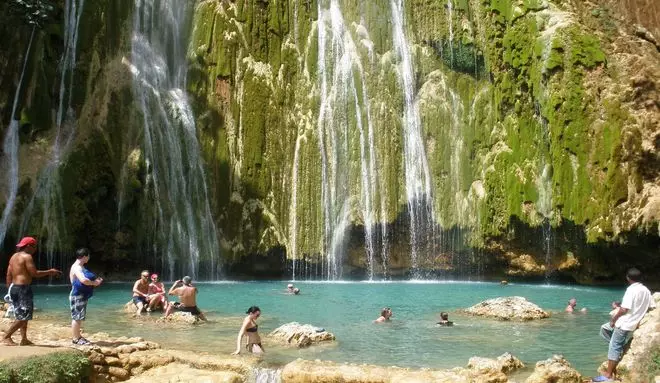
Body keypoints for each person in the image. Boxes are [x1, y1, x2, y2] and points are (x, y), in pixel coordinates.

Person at [593, 268, 656, 382]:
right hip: (634, 321)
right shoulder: (646, 290)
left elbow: (624, 310)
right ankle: (619, 350)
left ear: (628, 278)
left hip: (624, 323)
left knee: (614, 346)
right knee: (604, 328)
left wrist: (614, 319)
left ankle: (608, 375)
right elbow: (651, 306)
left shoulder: (630, 290)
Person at [3, 237, 61, 346]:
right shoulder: (27, 257)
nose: (35, 249)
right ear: (29, 246)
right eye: (34, 246)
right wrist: (50, 271)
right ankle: (6, 336)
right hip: (23, 289)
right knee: (24, 316)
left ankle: (24, 339)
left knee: (23, 315)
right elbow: (34, 273)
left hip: (14, 288)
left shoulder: (13, 256)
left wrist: (9, 290)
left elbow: (8, 274)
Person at [69, 248, 103, 345]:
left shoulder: (80, 266)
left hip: (81, 295)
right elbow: (83, 280)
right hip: (77, 295)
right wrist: (95, 283)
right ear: (84, 256)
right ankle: (75, 339)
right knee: (77, 316)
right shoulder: (77, 267)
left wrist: (96, 282)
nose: (89, 258)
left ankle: (78, 336)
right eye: (88, 256)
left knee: (79, 316)